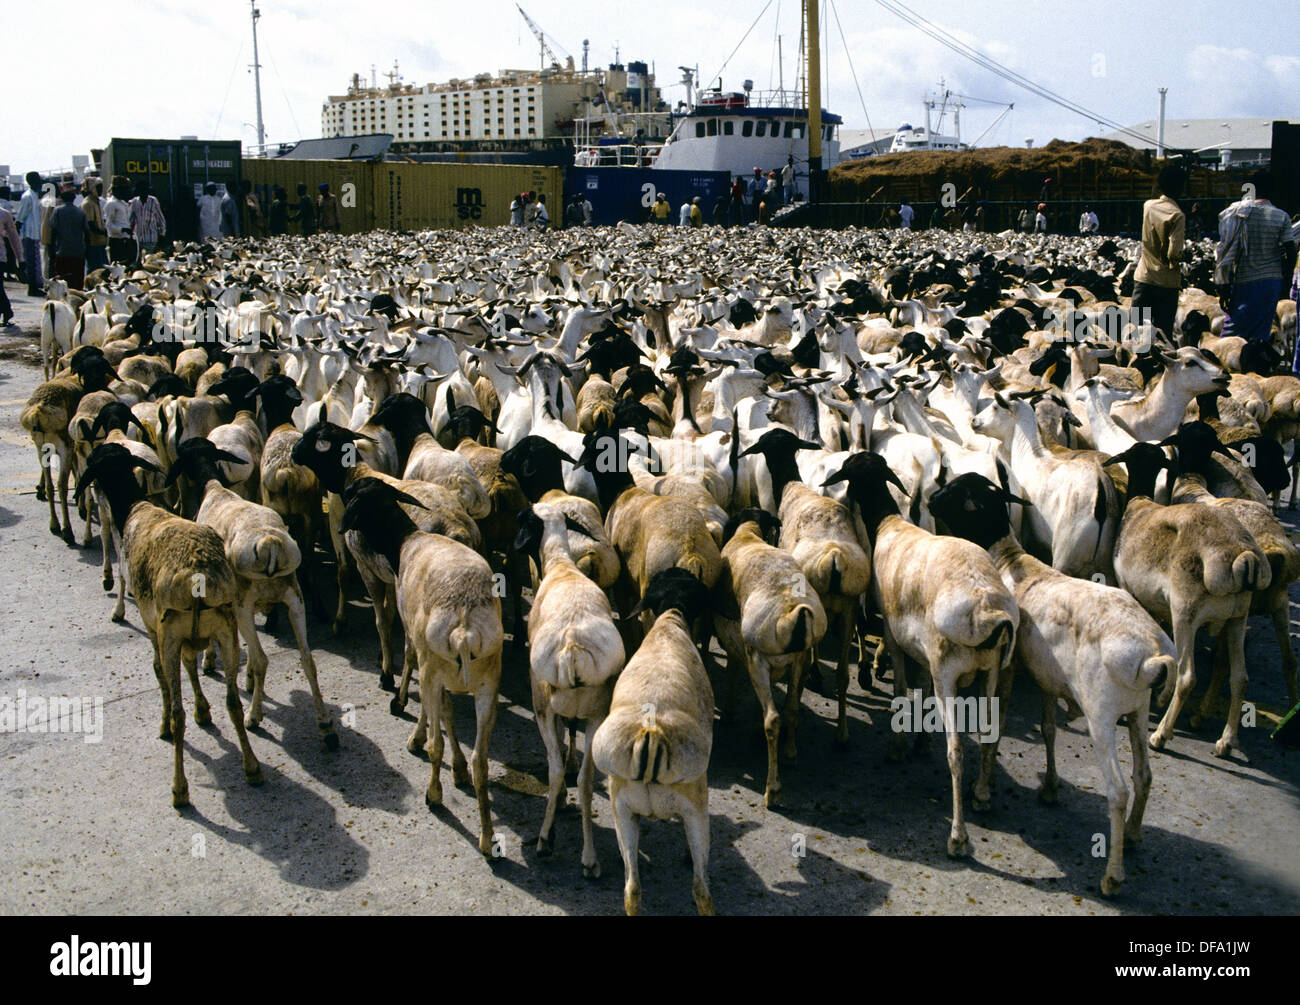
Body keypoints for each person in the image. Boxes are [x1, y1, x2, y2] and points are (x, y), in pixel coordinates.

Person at [1217, 170, 1297, 345]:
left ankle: (1230, 365)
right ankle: (1253, 366)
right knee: (1260, 333)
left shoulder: (1237, 214)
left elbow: (1225, 249)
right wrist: (1287, 279)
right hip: (1271, 281)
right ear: (1273, 190)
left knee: (1231, 333)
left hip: (1244, 280)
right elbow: (1290, 251)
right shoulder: (1281, 216)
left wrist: (1223, 285)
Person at [1132, 164, 1186, 340]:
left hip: (1144, 278)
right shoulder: (1177, 215)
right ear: (1180, 188)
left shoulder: (1148, 206)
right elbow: (1174, 254)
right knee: (1162, 335)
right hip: (1166, 284)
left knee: (1138, 332)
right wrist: (1186, 256)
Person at [48, 186, 88, 290]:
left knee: (62, 280)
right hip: (78, 251)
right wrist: (86, 249)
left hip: (62, 250)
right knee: (77, 280)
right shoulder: (80, 212)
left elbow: (53, 231)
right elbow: (86, 232)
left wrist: (51, 248)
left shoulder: (57, 211)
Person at [16, 172, 45, 295]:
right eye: (38, 180)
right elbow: (20, 217)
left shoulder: (34, 195)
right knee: (30, 262)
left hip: (34, 234)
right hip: (28, 234)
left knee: (35, 262)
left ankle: (35, 286)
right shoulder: (27, 196)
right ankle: (31, 288)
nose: (40, 182)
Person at [103, 177, 135, 265]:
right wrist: (122, 229)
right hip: (117, 242)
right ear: (117, 189)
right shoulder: (111, 204)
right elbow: (108, 225)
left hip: (126, 240)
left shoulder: (123, 203)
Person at [130, 181, 167, 255]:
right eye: (142, 190)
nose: (144, 192)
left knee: (148, 260)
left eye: (145, 190)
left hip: (150, 238)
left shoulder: (153, 201)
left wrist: (162, 234)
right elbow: (130, 219)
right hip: (138, 238)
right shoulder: (134, 202)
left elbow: (160, 219)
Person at [82, 179, 108, 273]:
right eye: (98, 188)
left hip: (100, 241)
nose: (101, 190)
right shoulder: (88, 203)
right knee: (95, 271)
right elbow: (90, 225)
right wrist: (104, 232)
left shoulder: (95, 201)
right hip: (93, 243)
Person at [0, 200, 19, 324]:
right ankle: (6, 311)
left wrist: (20, 258)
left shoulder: (4, 214)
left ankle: (6, 311)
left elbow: (13, 237)